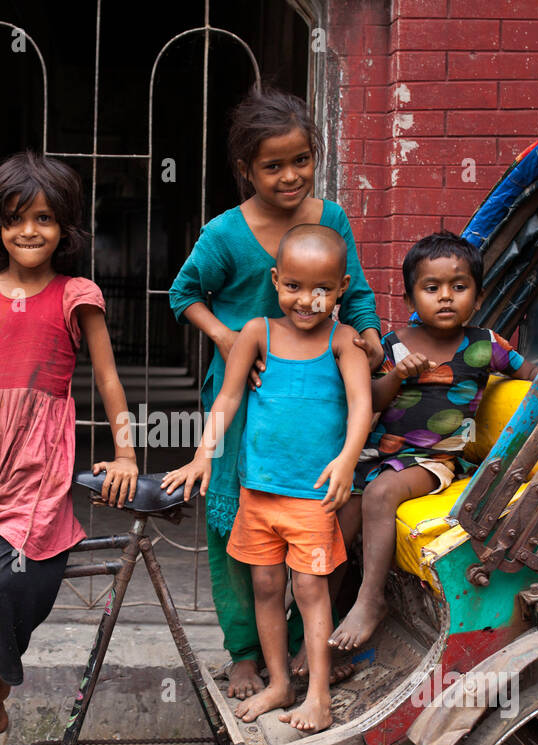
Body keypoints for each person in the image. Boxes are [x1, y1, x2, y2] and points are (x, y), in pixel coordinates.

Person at [0, 151, 139, 745]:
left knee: (3, 576)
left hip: (36, 455)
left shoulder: (76, 295)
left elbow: (109, 380)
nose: (29, 231)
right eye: (16, 218)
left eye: (44, 218)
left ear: (64, 227)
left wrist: (125, 453)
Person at [168, 86, 383, 701]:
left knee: (316, 519)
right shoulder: (225, 235)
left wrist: (366, 337)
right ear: (245, 169)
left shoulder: (330, 219)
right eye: (273, 165)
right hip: (244, 397)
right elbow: (186, 296)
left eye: (302, 160)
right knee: (236, 523)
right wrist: (237, 341)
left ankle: (294, 653)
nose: (291, 176)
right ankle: (243, 655)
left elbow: (359, 293)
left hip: (314, 403)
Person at [163, 224, 372, 733]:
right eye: (294, 286)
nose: (307, 300)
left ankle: (317, 695)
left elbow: (363, 405)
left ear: (342, 288)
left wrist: (347, 460)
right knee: (264, 585)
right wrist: (202, 455)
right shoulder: (256, 332)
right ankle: (279, 682)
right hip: (258, 492)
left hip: (313, 496)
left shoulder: (344, 341)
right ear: (276, 280)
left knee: (310, 589)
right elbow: (229, 398)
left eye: (321, 289)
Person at [331, 231, 536, 651]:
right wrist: (397, 374)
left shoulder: (487, 345)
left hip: (434, 460)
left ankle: (371, 602)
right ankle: (315, 630)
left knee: (382, 494)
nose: (445, 297)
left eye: (458, 287)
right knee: (337, 522)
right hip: (378, 451)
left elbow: (536, 379)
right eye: (431, 288)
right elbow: (369, 399)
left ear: (477, 299)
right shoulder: (393, 345)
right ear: (409, 301)